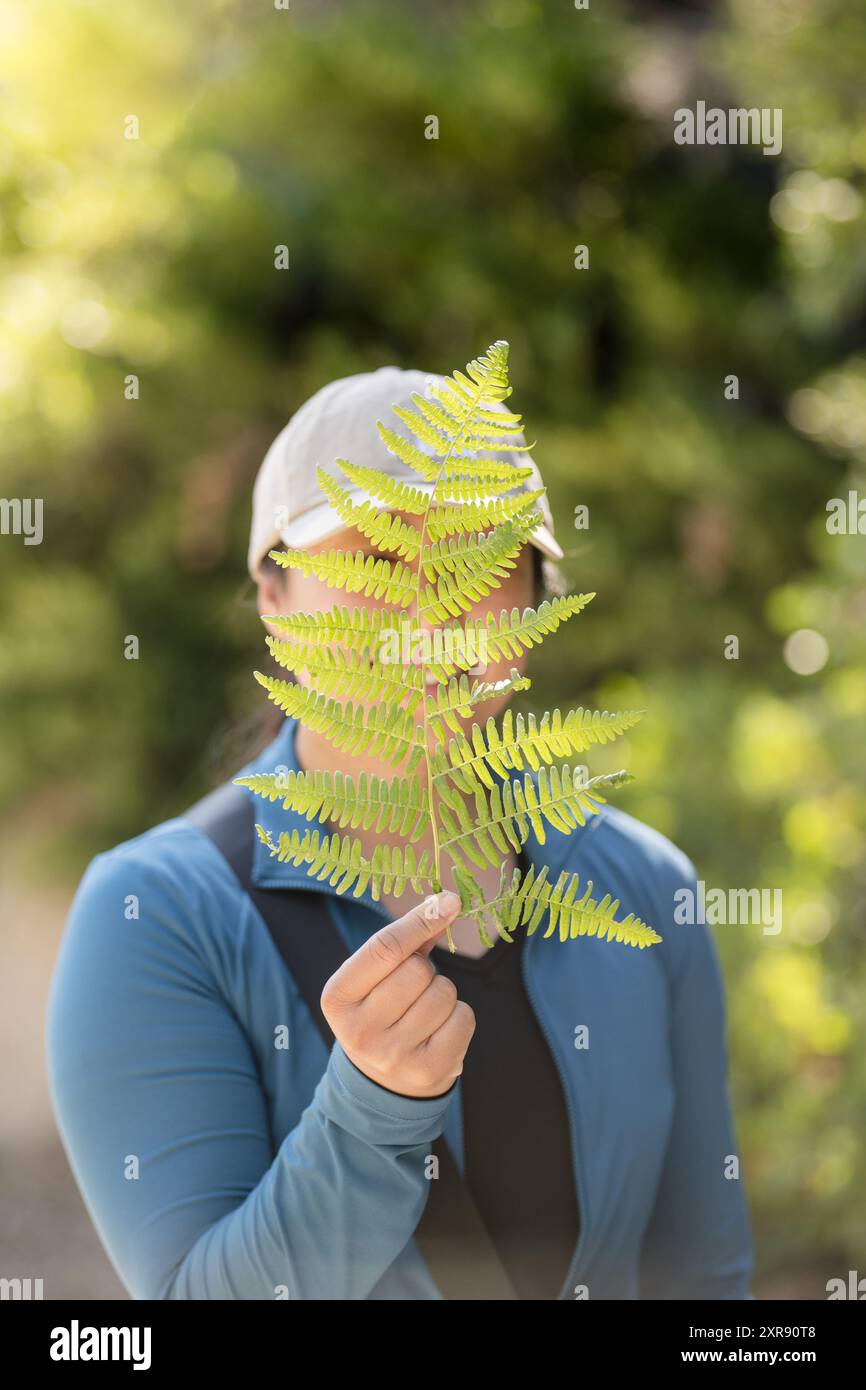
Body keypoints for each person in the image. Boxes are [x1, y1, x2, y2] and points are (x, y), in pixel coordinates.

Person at [45, 363, 754, 1300]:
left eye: (483, 560)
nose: (432, 617)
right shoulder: (155, 915)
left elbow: (706, 1283)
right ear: (275, 599)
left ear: (537, 602)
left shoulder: (642, 884)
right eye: (378, 560)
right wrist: (374, 1109)